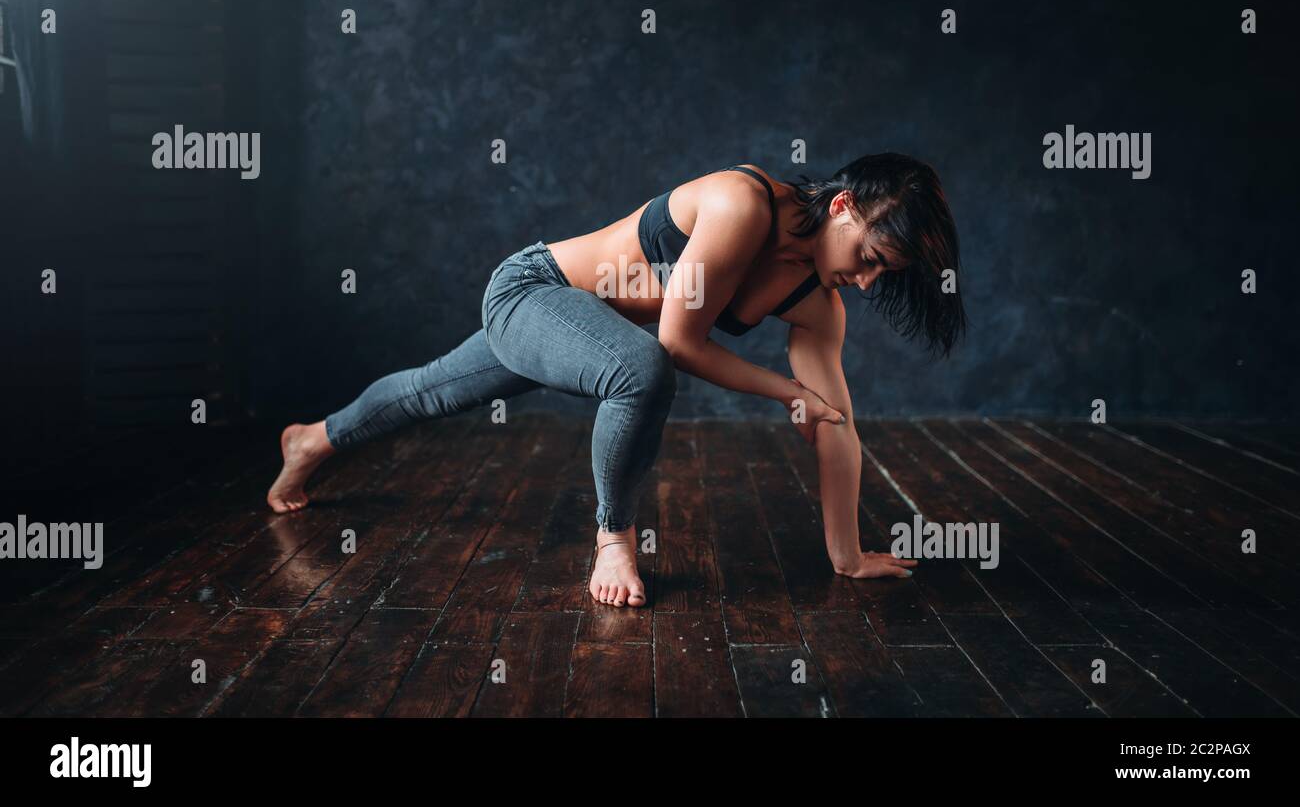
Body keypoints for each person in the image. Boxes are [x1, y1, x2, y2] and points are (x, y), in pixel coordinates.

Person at [266, 153, 967, 609]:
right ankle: (614, 538)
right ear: (843, 206)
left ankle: (310, 441)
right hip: (534, 294)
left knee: (433, 388)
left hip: (584, 332)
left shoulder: (820, 305)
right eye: (870, 256)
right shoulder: (742, 204)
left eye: (887, 273)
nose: (869, 280)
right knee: (642, 367)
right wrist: (786, 391)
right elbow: (680, 342)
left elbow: (835, 424)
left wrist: (846, 558)